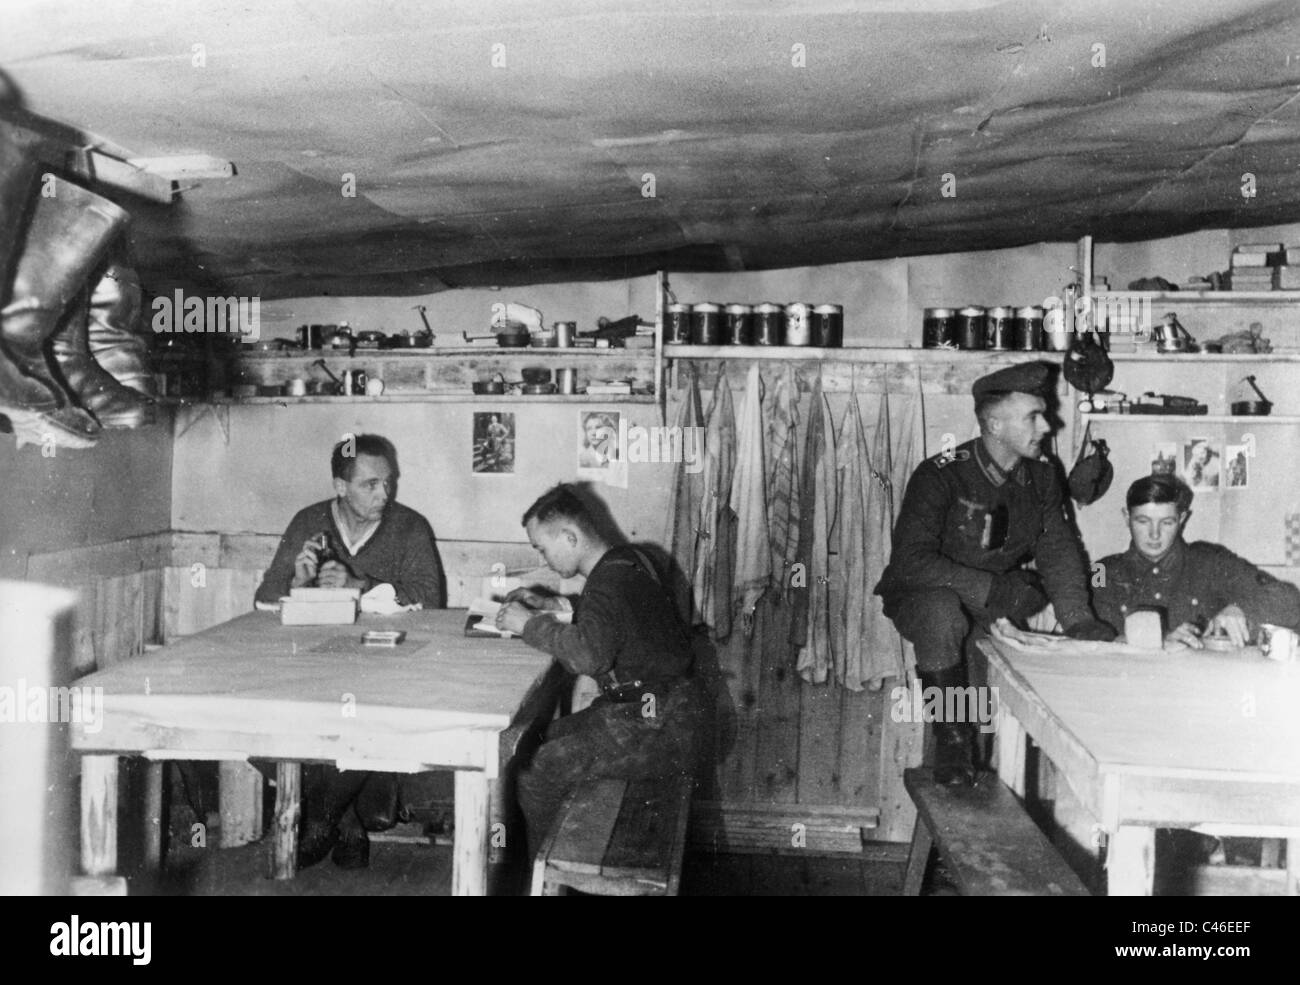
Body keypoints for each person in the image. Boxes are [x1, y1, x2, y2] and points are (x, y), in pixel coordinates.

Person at [874, 362, 1113, 785]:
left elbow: (1056, 547)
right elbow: (910, 561)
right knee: (942, 614)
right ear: (994, 424)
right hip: (923, 595)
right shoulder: (941, 473)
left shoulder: (1041, 476)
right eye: (1032, 417)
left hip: (988, 606)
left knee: (985, 709)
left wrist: (1079, 620)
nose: (1046, 425)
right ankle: (951, 740)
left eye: (1044, 412)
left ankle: (966, 772)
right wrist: (994, 588)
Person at [254, 433, 446, 869]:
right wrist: (297, 583)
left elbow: (430, 601)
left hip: (387, 667)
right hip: (314, 663)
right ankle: (348, 821)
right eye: (370, 484)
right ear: (340, 487)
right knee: (256, 712)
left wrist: (358, 585)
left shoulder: (409, 526)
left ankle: (321, 818)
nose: (384, 493)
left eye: (388, 482)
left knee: (366, 714)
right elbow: (264, 600)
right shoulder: (309, 522)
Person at [495, 484, 707, 855]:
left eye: (542, 548)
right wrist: (554, 603)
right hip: (670, 712)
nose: (543, 560)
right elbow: (617, 620)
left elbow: (588, 657)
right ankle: (554, 867)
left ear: (569, 537)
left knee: (535, 772)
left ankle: (553, 876)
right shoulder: (629, 560)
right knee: (534, 744)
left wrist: (527, 625)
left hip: (658, 724)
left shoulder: (607, 584)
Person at [1092, 473, 1300, 647]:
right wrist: (1158, 641)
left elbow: (1290, 601)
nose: (1154, 534)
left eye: (1166, 522)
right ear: (1126, 517)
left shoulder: (1211, 561)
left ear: (1182, 519)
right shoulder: (1102, 571)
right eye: (1143, 521)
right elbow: (1084, 632)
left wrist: (1242, 610)